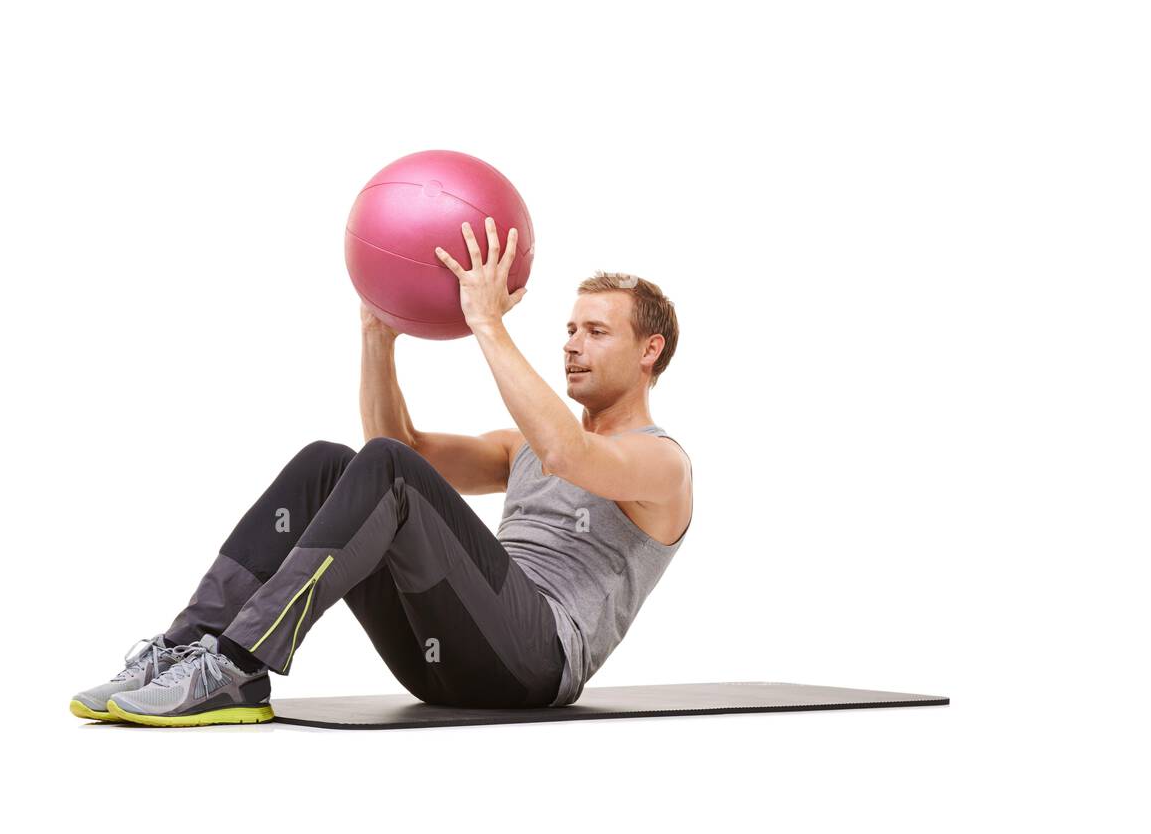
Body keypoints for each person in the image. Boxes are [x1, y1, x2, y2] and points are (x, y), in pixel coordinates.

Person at [70, 217, 693, 727]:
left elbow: (568, 455)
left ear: (649, 351)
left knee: (390, 471)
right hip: (440, 660)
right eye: (570, 329)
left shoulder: (662, 464)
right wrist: (378, 334)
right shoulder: (520, 448)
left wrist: (486, 321)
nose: (572, 344)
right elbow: (393, 450)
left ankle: (236, 662)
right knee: (328, 464)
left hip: (534, 665)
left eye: (597, 332)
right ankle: (188, 643)